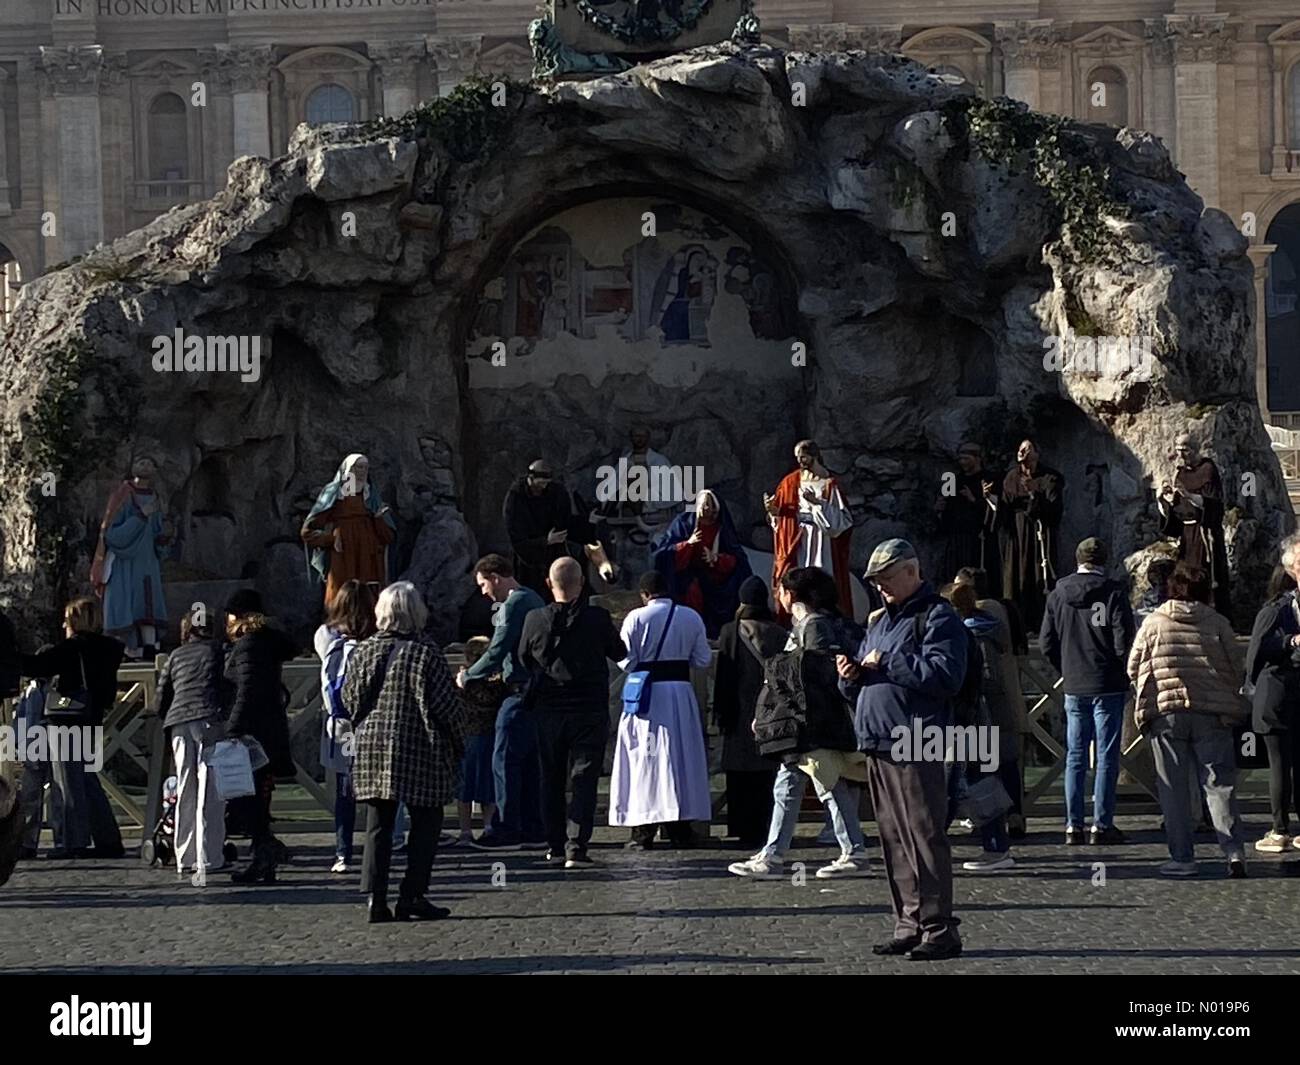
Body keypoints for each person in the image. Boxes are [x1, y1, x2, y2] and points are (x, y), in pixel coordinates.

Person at [837, 539, 967, 961]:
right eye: (876, 581)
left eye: (888, 578)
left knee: (924, 834)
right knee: (893, 838)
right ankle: (908, 922)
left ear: (912, 572)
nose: (881, 587)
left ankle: (938, 927)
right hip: (878, 739)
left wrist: (888, 662)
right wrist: (850, 676)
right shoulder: (879, 621)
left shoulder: (938, 616)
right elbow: (864, 677)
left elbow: (946, 675)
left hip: (916, 738)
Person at [728, 567, 869, 880]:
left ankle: (850, 851)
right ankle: (774, 854)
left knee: (825, 783)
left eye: (780, 589)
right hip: (810, 721)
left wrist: (784, 714)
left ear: (790, 594)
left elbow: (809, 677)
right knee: (798, 785)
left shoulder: (814, 626)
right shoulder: (820, 623)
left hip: (811, 724)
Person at [342, 582, 468, 923]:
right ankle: (412, 894)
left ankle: (376, 899)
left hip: (371, 748)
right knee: (426, 822)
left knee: (378, 825)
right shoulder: (426, 653)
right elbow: (445, 707)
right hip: (419, 747)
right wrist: (460, 742)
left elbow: (349, 701)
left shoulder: (363, 651)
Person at [1128, 562, 1247, 877]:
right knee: (1219, 785)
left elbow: (1133, 664)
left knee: (1173, 788)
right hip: (1212, 712)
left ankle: (1182, 857)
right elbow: (1237, 665)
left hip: (1167, 711)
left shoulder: (1154, 622)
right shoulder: (1217, 622)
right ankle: (1234, 853)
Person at [519, 557, 626, 867]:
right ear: (581, 584)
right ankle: (576, 846)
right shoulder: (598, 618)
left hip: (548, 709)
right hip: (588, 708)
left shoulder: (534, 619)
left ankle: (553, 844)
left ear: (548, 584)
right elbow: (619, 652)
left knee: (550, 778)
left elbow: (524, 658)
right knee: (584, 778)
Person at [1039, 537, 1135, 845]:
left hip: (1074, 684)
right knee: (1106, 757)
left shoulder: (1058, 594)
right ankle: (1102, 824)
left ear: (1076, 559)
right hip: (1107, 682)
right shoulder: (1114, 592)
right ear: (1105, 560)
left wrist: (1066, 668)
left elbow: (1046, 644)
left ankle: (1072, 825)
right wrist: (1121, 670)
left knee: (1075, 756)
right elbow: (1123, 642)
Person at [610, 571, 712, 849]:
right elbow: (703, 659)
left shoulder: (635, 618)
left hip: (646, 697)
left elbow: (626, 662)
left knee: (645, 759)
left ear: (644, 594)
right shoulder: (690, 617)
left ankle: (643, 830)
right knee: (680, 759)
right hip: (680, 694)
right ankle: (681, 827)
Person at [21, 598, 126, 859]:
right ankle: (107, 839)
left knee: (67, 782)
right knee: (87, 780)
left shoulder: (73, 648)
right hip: (90, 717)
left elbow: (37, 665)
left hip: (66, 720)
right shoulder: (108, 648)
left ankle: (72, 841)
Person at [457, 554, 546, 851]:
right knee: (530, 762)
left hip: (519, 690)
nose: (483, 592)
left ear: (495, 577)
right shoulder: (534, 597)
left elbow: (497, 650)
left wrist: (469, 675)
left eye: (483, 584)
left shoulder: (511, 605)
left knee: (504, 758)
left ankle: (507, 828)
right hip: (537, 690)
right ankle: (534, 828)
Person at [222, 590, 296, 884]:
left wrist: (232, 729)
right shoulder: (266, 642)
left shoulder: (249, 645)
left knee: (252, 801)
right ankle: (264, 856)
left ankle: (266, 853)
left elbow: (247, 690)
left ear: (238, 616)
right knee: (259, 800)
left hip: (254, 735)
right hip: (268, 732)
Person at [943, 582, 1017, 872]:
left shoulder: (960, 635)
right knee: (977, 778)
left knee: (952, 781)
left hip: (963, 715)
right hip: (976, 713)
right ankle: (996, 845)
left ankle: (931, 844)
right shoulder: (982, 630)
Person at [157, 608, 229, 880]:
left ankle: (184, 857)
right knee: (210, 791)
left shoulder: (175, 655)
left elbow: (162, 696)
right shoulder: (218, 651)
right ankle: (209, 857)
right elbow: (226, 686)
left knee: (186, 786)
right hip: (208, 717)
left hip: (178, 722)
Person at [953, 566, 1026, 837]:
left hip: (983, 703)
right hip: (1006, 699)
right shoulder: (1000, 616)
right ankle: (1014, 813)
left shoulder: (973, 627)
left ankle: (990, 821)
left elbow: (984, 675)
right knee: (1005, 760)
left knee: (983, 763)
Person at [713, 576, 783, 849]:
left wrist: (719, 712)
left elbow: (723, 675)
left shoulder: (731, 631)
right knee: (767, 772)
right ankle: (766, 826)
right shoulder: (778, 633)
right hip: (769, 711)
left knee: (739, 772)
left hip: (737, 710)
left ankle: (742, 827)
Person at [313, 580, 377, 873]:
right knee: (382, 788)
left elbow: (323, 633)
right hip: (372, 722)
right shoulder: (377, 641)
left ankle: (343, 851)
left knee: (344, 791)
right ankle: (389, 841)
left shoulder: (329, 639)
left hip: (340, 724)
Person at [1243, 540, 1300, 853]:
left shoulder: (1279, 608)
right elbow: (1256, 654)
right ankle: (1281, 828)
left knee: (1288, 763)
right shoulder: (1277, 610)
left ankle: (1284, 829)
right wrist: (1290, 643)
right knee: (1280, 763)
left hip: (1281, 693)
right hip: (1276, 695)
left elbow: (1253, 658)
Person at [90, 457, 172, 659]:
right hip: (123, 561)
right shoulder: (122, 495)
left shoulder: (155, 497)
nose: (144, 466)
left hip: (147, 561)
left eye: (149, 463)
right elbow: (111, 534)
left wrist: (164, 538)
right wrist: (140, 516)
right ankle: (125, 651)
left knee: (148, 605)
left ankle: (150, 647)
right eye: (140, 462)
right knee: (126, 605)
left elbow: (157, 532)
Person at [766, 440, 853, 623]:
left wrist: (817, 503)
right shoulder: (790, 482)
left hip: (822, 541)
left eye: (803, 456)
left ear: (814, 455)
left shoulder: (829, 484)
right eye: (797, 457)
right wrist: (774, 512)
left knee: (821, 578)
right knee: (797, 577)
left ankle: (825, 618)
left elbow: (841, 523)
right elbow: (781, 515)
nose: (800, 461)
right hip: (797, 540)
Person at [651, 488, 753, 638]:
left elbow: (737, 560)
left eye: (708, 505)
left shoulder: (722, 528)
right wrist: (688, 544)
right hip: (686, 576)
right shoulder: (684, 523)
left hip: (715, 578)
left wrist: (716, 559)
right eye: (702, 504)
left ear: (715, 509)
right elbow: (664, 554)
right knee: (692, 591)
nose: (704, 508)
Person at [301, 453, 396, 608]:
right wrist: (331, 540)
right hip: (344, 556)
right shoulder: (334, 494)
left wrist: (378, 519)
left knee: (368, 600)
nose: (363, 471)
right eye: (359, 467)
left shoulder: (371, 496)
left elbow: (388, 536)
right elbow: (307, 531)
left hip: (368, 558)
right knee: (342, 599)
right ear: (349, 469)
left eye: (366, 467)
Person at [1158, 433, 1231, 617]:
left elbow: (1214, 503)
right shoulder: (1180, 472)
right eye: (1178, 450)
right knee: (1184, 574)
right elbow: (1175, 508)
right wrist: (1163, 499)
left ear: (1195, 449)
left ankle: (1210, 614)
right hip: (1186, 533)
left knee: (1205, 574)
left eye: (1185, 450)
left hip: (1204, 532)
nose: (1181, 455)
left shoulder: (1207, 469)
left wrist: (1189, 495)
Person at [996, 439, 1063, 631]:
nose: (1022, 451)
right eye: (1020, 449)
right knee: (1015, 574)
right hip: (1017, 532)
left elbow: (1054, 509)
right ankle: (1017, 621)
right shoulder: (1011, 477)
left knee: (1038, 572)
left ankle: (1041, 621)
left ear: (1037, 454)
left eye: (1028, 448)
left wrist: (1033, 494)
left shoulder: (1050, 477)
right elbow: (1004, 507)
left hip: (1039, 532)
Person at [449, 636, 503, 847]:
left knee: (465, 787)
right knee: (486, 785)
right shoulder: (496, 683)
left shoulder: (464, 681)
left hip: (467, 737)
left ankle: (465, 830)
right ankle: (488, 825)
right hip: (488, 736)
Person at [503, 459, 580, 597]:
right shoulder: (516, 497)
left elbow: (564, 519)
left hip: (553, 552)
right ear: (531, 478)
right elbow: (516, 536)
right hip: (526, 557)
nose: (543, 487)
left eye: (546, 483)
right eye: (540, 482)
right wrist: (545, 541)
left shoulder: (557, 492)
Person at [16, 649, 61, 859]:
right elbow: (21, 719)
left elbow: (21, 719)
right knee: (31, 798)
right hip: (35, 747)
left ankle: (59, 839)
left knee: (54, 796)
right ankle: (28, 841)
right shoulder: (32, 689)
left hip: (45, 745)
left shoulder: (36, 689)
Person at [937, 442, 1000, 587]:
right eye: (961, 459)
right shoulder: (951, 480)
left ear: (978, 458)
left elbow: (995, 509)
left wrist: (974, 500)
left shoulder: (988, 479)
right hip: (956, 537)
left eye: (967, 458)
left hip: (978, 538)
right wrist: (939, 510)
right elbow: (944, 506)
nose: (962, 462)